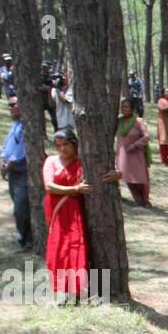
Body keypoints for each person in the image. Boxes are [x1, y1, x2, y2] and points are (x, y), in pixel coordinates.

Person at [43, 128, 120, 302]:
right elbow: (49, 186)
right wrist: (74, 189)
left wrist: (119, 174)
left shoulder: (83, 162)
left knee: (76, 246)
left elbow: (104, 175)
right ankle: (60, 289)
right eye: (59, 145)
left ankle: (77, 289)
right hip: (57, 209)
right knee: (59, 247)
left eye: (66, 145)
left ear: (75, 144)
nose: (62, 149)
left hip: (76, 210)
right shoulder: (51, 161)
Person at [0, 96, 31, 252]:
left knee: (21, 207)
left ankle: (26, 240)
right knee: (17, 203)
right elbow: (7, 146)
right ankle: (25, 237)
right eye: (9, 105)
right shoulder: (15, 125)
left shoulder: (27, 126)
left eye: (13, 105)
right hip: (13, 172)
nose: (10, 108)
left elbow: (21, 151)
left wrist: (9, 164)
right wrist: (2, 162)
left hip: (23, 170)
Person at [116, 97, 152, 207]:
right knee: (127, 177)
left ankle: (145, 200)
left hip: (136, 154)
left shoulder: (138, 121)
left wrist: (134, 145)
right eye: (122, 107)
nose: (124, 109)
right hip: (123, 154)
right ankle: (137, 199)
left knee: (141, 178)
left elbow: (146, 137)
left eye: (126, 107)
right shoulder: (119, 121)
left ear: (132, 109)